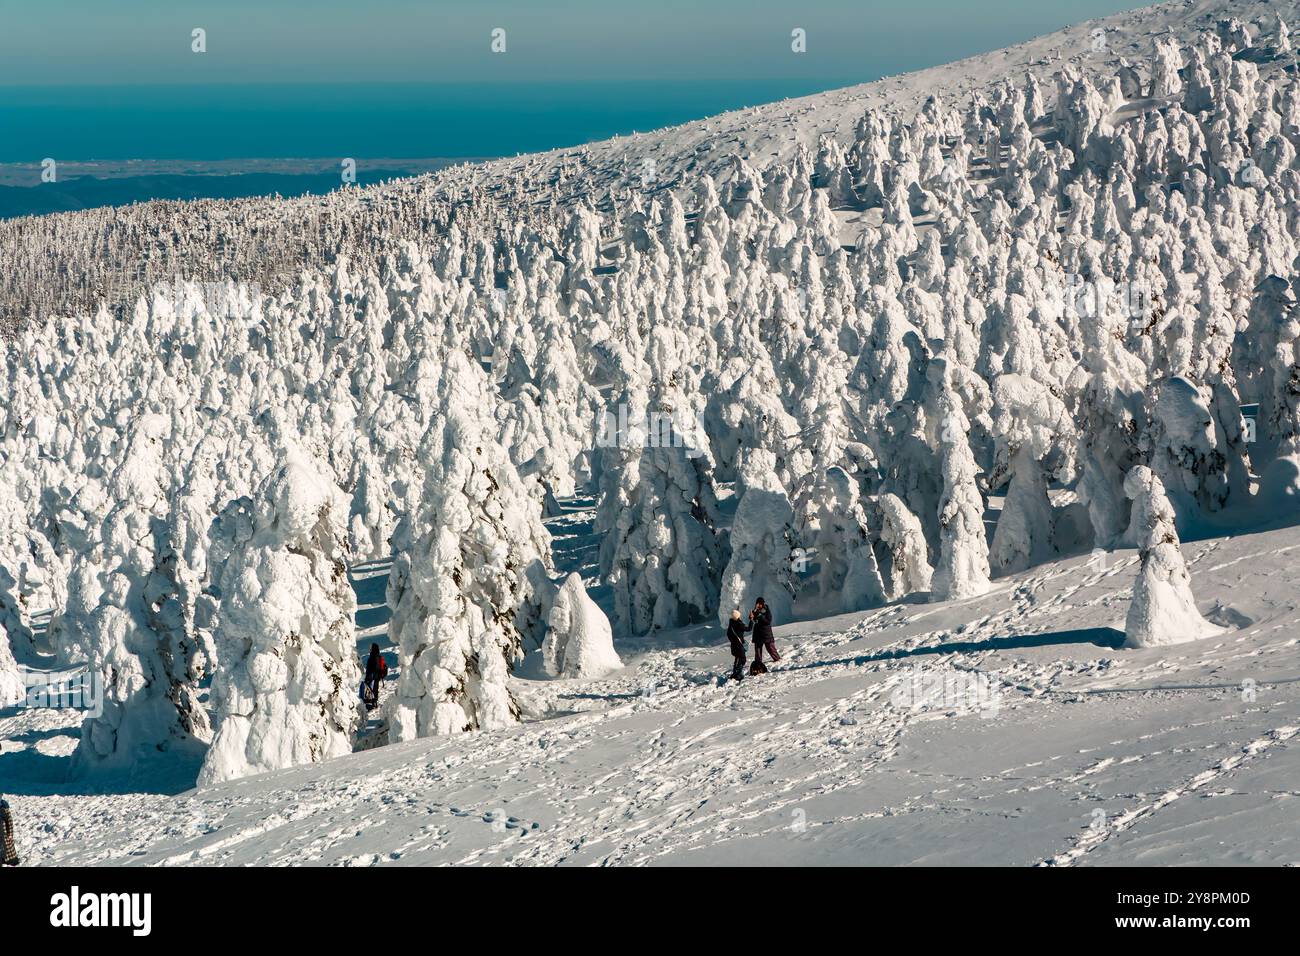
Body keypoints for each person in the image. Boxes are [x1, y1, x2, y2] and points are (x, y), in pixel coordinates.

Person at [750, 597, 779, 671]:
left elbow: (768, 621)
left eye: (759, 603)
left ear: (762, 604)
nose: (757, 605)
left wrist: (760, 616)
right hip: (757, 633)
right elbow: (753, 619)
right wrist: (751, 617)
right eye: (757, 603)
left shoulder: (766, 610)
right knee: (758, 649)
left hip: (766, 633)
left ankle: (777, 659)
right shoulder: (755, 610)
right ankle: (758, 663)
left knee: (770, 647)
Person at [725, 609, 750, 682]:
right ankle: (738, 675)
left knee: (737, 659)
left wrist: (733, 641)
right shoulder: (739, 624)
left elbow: (728, 635)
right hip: (739, 646)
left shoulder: (731, 624)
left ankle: (735, 673)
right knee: (742, 659)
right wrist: (751, 620)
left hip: (734, 646)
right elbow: (749, 629)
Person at [363, 644, 386, 712]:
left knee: (371, 690)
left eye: (371, 648)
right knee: (375, 689)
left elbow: (371, 668)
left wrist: (368, 677)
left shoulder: (373, 657)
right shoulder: (379, 656)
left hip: (372, 676)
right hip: (377, 676)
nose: (370, 649)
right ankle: (374, 703)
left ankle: (372, 704)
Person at [1, 797, 18, 866]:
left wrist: (10, 833)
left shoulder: (4, 808)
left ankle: (11, 861)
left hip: (4, 832)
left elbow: (9, 822)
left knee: (7, 846)